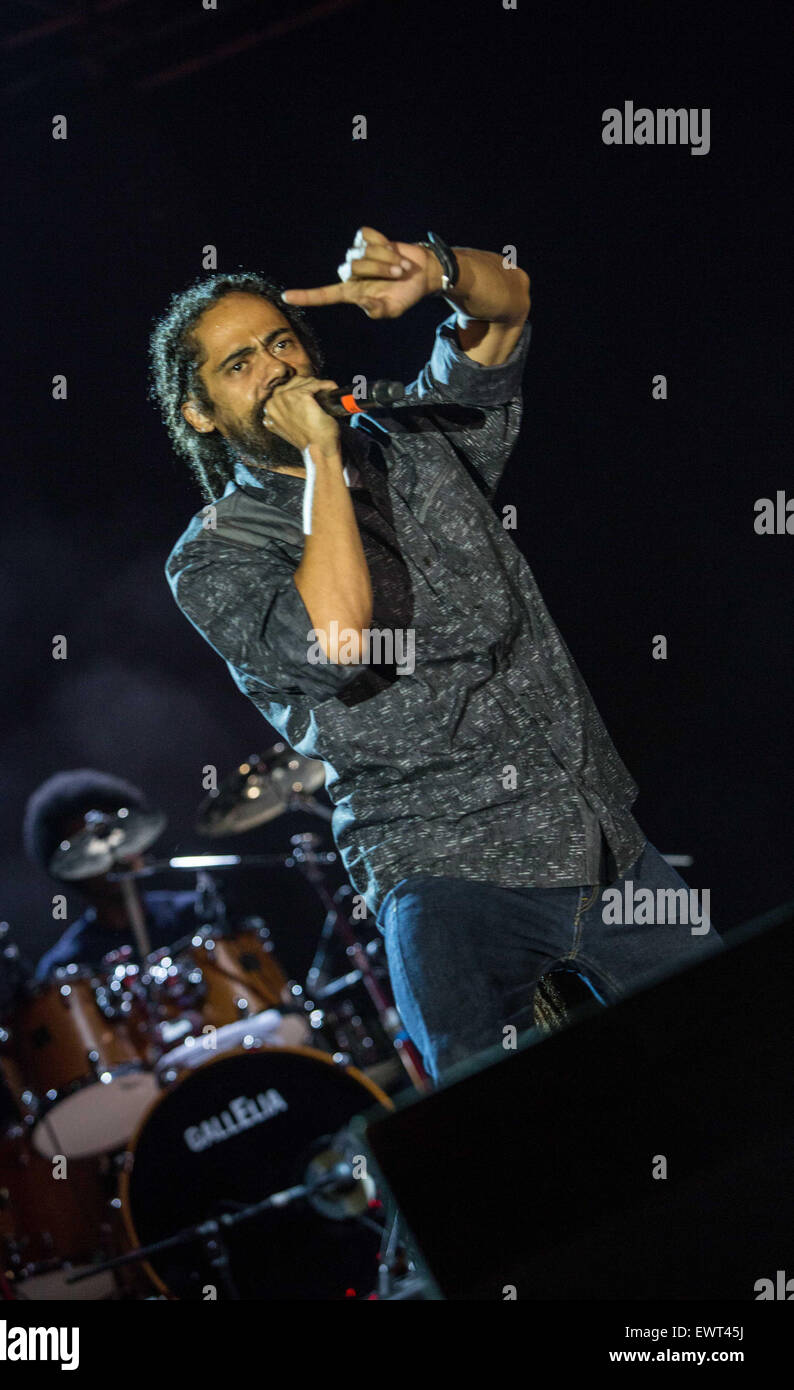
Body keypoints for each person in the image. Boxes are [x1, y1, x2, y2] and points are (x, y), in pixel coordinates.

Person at [151, 225, 725, 1085]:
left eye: (280, 342)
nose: (272, 367)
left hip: (593, 828)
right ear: (200, 414)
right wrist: (318, 460)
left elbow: (508, 309)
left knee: (744, 1056)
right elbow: (337, 639)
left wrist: (444, 270)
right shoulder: (214, 554)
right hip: (443, 874)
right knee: (497, 1153)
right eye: (239, 365)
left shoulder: (408, 437)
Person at [23, 769, 208, 980]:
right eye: (90, 850)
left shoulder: (198, 912)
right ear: (70, 870)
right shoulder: (65, 967)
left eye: (118, 834)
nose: (112, 853)